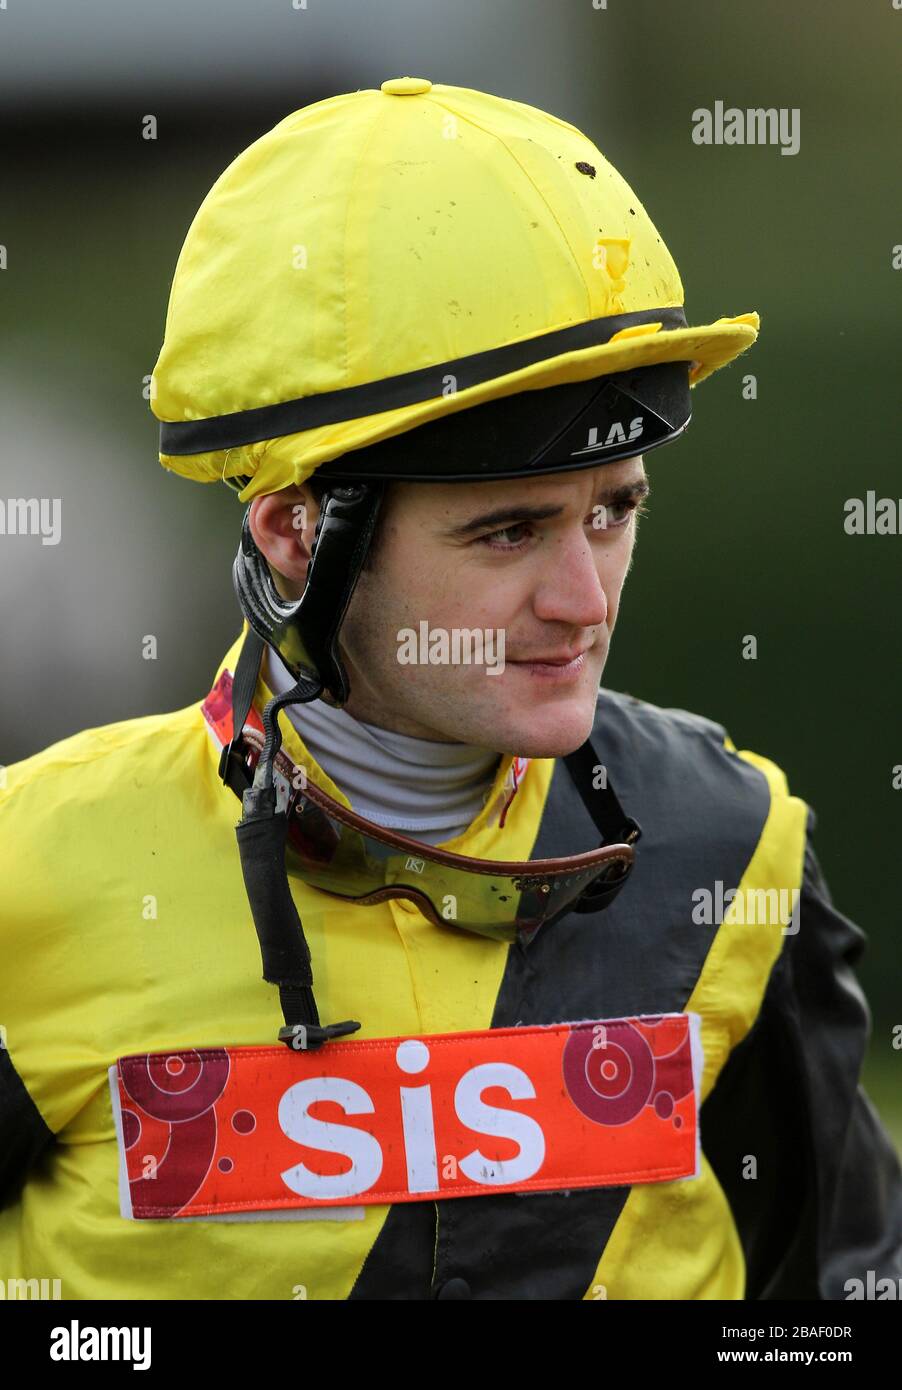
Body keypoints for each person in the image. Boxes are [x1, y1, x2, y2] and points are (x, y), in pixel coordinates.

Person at [1, 77, 900, 1302]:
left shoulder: (732, 840)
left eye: (614, 514)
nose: (582, 600)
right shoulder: (27, 873)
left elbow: (840, 1289)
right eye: (507, 533)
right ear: (290, 534)